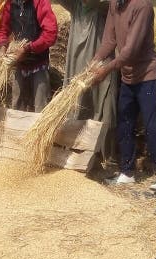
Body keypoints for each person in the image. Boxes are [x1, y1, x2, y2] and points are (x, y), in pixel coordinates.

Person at [89, 0, 156, 192]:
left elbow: (130, 50)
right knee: (125, 124)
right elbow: (109, 40)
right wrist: (95, 62)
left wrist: (105, 70)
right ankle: (127, 173)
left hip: (148, 76)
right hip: (127, 77)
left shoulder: (142, 6)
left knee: (151, 125)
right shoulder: (115, 4)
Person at [57, 0, 118, 165]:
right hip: (78, 60)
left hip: (99, 61)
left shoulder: (105, 7)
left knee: (102, 104)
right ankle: (76, 146)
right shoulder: (75, 6)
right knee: (78, 101)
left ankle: (102, 155)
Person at [0, 0, 58, 113]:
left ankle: (40, 130)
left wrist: (29, 48)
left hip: (39, 63)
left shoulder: (40, 2)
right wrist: (3, 47)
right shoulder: (9, 4)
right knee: (17, 105)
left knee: (41, 106)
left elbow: (50, 33)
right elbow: (2, 30)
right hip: (19, 64)